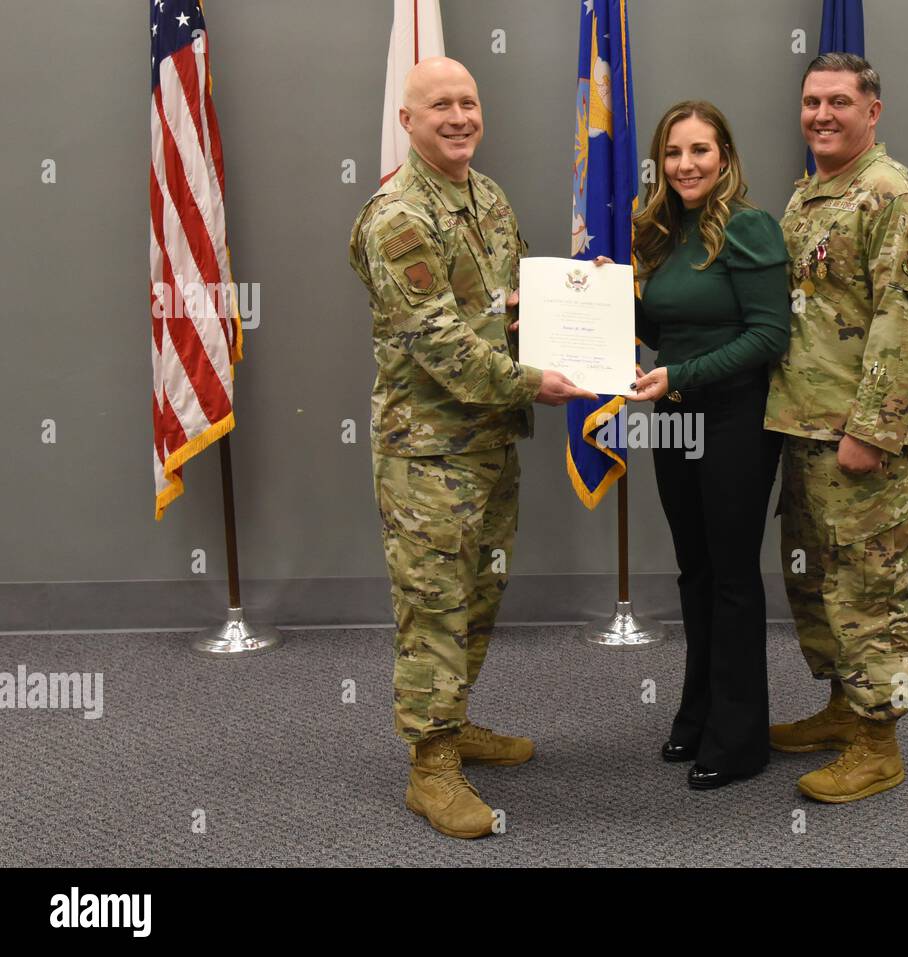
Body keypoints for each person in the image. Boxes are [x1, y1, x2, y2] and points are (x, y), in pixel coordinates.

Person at [348, 57, 593, 839]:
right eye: (440, 106)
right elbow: (442, 343)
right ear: (408, 121)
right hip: (428, 453)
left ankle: (451, 723)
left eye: (469, 102)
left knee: (478, 597)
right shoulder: (397, 217)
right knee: (434, 607)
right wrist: (537, 381)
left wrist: (567, 308)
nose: (459, 116)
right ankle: (430, 767)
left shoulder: (485, 197)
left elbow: (502, 299)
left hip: (487, 443)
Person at [765, 54, 908, 803]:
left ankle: (878, 742)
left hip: (858, 437)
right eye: (811, 102)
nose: (822, 115)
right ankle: (844, 707)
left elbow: (906, 322)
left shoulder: (896, 195)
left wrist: (870, 430)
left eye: (839, 101)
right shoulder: (810, 194)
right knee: (815, 584)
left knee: (867, 590)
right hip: (804, 427)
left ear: (874, 110)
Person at [611, 100, 790, 789]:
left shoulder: (748, 227)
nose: (686, 165)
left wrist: (680, 375)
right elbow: (663, 326)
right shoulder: (659, 232)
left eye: (701, 151)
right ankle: (699, 711)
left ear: (725, 157)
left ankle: (741, 737)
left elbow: (769, 335)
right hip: (672, 417)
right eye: (675, 152)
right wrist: (572, 304)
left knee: (733, 575)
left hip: (736, 420)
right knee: (696, 571)